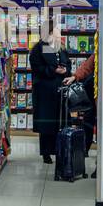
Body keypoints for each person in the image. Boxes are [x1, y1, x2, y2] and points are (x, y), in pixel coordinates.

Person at [30, 28, 72, 163]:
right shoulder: (39, 48)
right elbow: (37, 68)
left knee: (61, 121)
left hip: (60, 90)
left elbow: (68, 63)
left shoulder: (61, 48)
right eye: (56, 32)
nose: (59, 34)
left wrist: (66, 70)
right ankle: (46, 153)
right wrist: (53, 70)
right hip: (45, 92)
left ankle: (60, 149)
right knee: (47, 124)